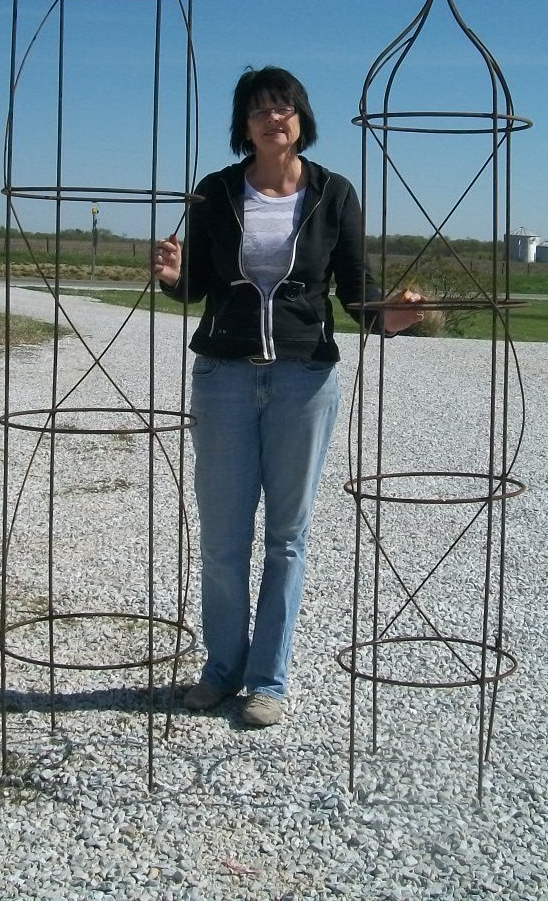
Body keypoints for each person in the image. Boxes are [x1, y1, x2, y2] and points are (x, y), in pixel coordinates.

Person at [153, 65, 422, 727]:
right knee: (221, 537)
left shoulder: (335, 193)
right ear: (243, 127)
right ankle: (222, 668)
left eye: (286, 108)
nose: (276, 118)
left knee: (286, 538)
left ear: (301, 119)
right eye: (261, 110)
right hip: (224, 379)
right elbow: (195, 291)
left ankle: (267, 680)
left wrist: (391, 313)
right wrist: (170, 276)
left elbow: (357, 290)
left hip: (305, 380)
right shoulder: (213, 194)